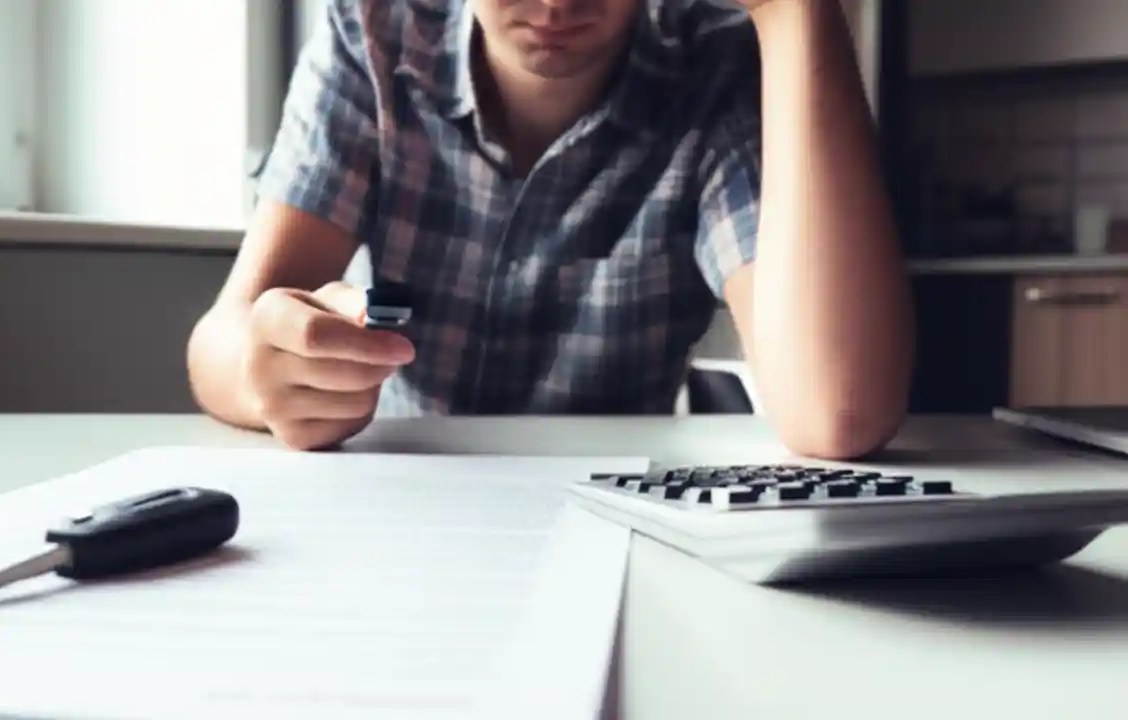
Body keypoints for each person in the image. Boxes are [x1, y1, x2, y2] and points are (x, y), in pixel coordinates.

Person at [187, 0, 913, 458]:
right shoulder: (373, 35)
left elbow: (835, 410)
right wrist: (266, 372)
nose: (558, 4)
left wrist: (796, 9)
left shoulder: (715, 67)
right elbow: (223, 337)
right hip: (400, 492)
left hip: (621, 511)